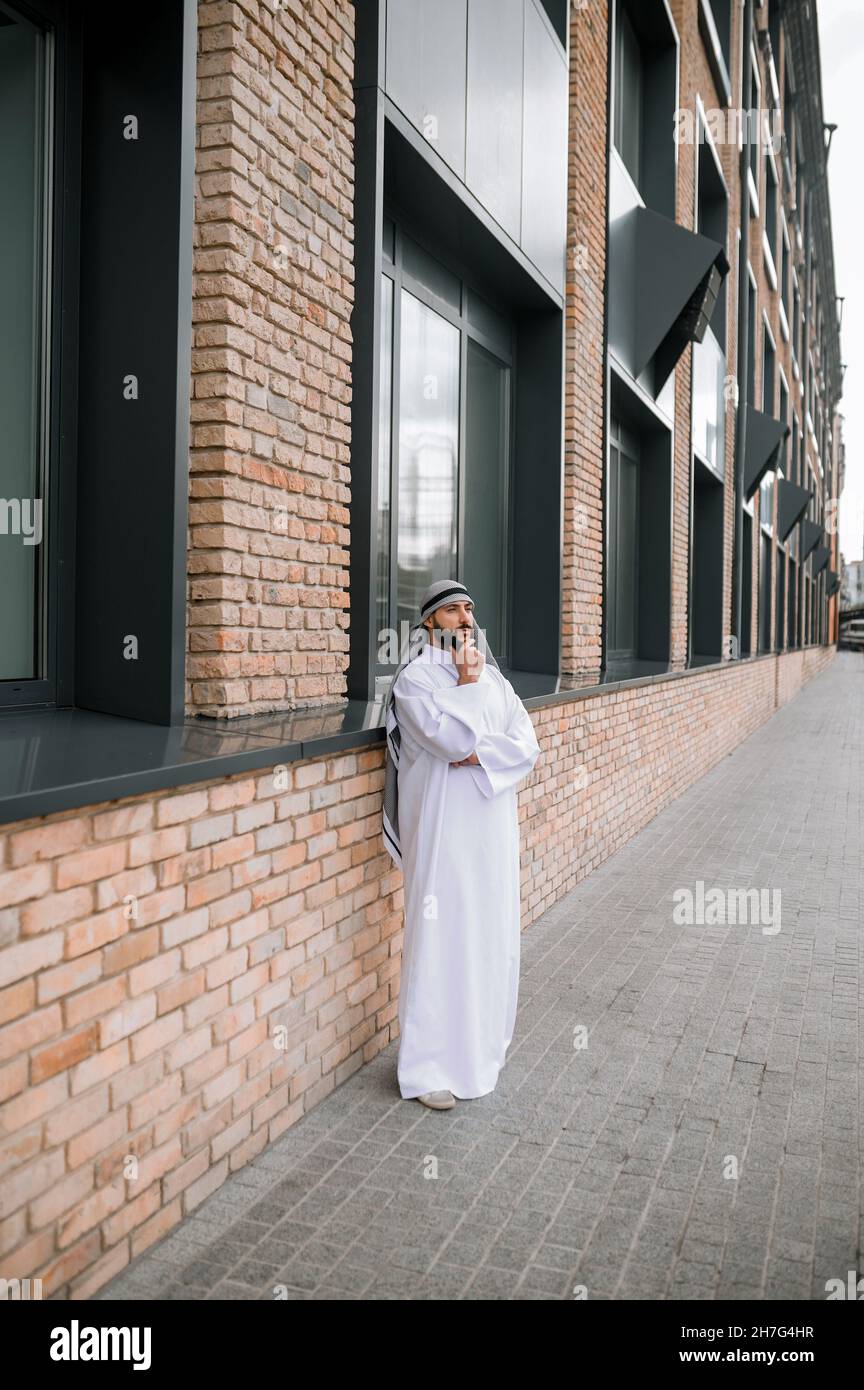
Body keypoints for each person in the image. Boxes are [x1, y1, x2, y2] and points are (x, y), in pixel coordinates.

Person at [382, 579, 541, 1109]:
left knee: (486, 937)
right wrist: (468, 696)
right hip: (443, 831)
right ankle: (427, 1070)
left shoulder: (493, 679)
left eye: (470, 608)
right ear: (429, 621)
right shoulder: (414, 680)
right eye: (452, 610)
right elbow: (447, 740)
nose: (465, 618)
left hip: (491, 831)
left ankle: (476, 1056)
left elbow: (526, 744)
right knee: (440, 940)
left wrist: (475, 753)